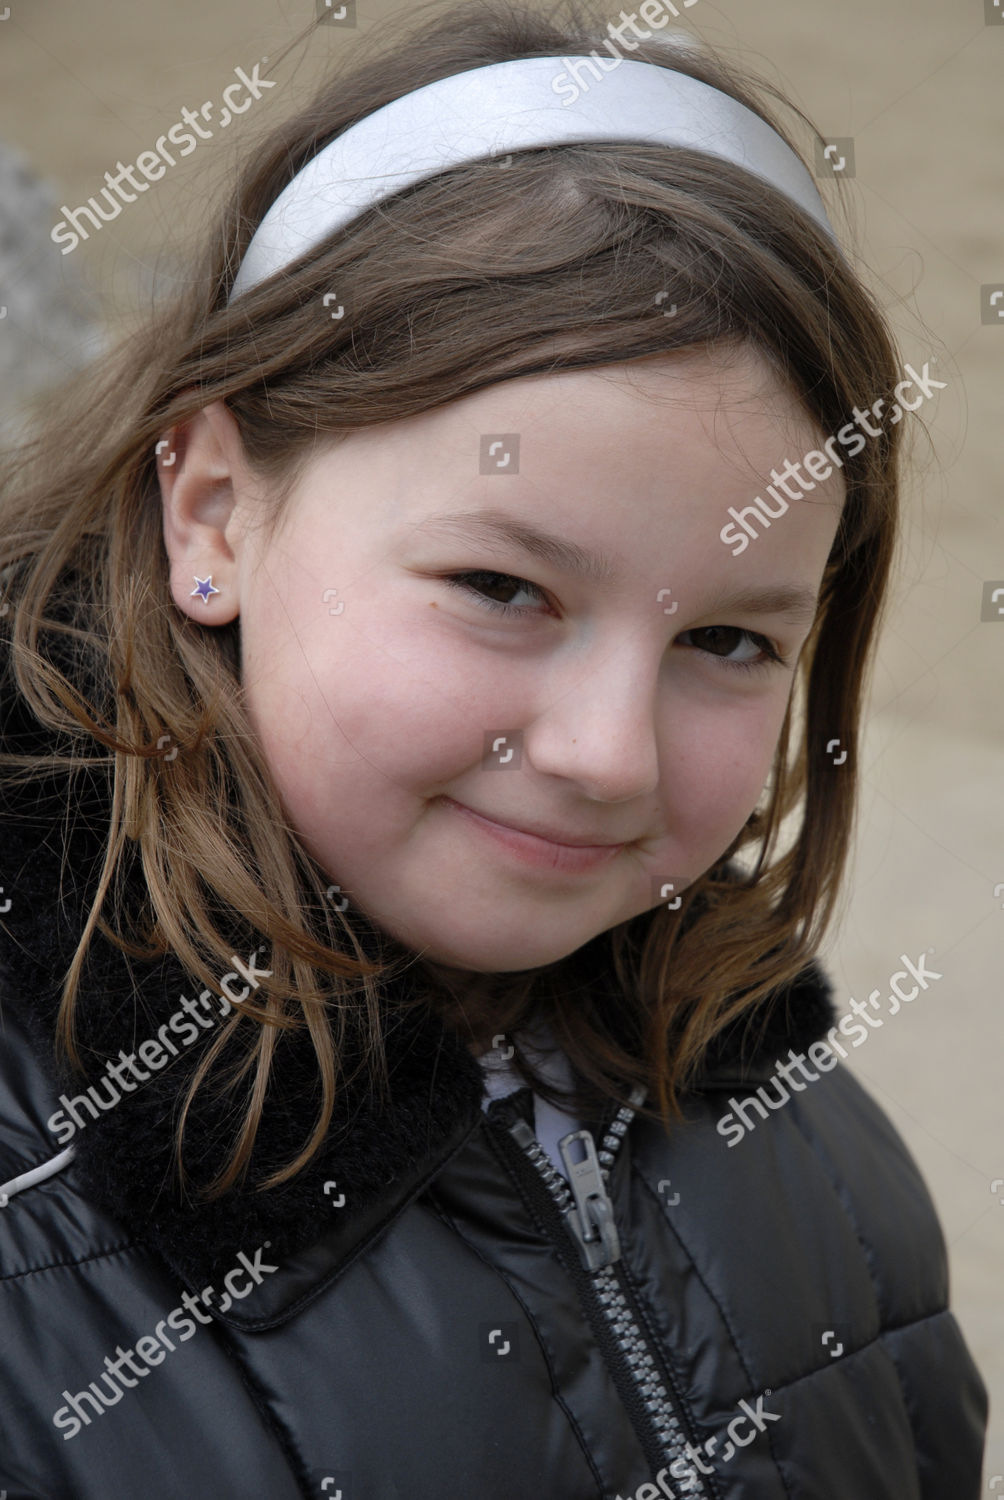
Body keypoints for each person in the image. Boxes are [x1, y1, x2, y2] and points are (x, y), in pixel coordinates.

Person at [0, 1, 987, 1494]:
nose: (608, 757)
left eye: (729, 641)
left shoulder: (802, 1143)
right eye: (502, 589)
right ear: (211, 511)